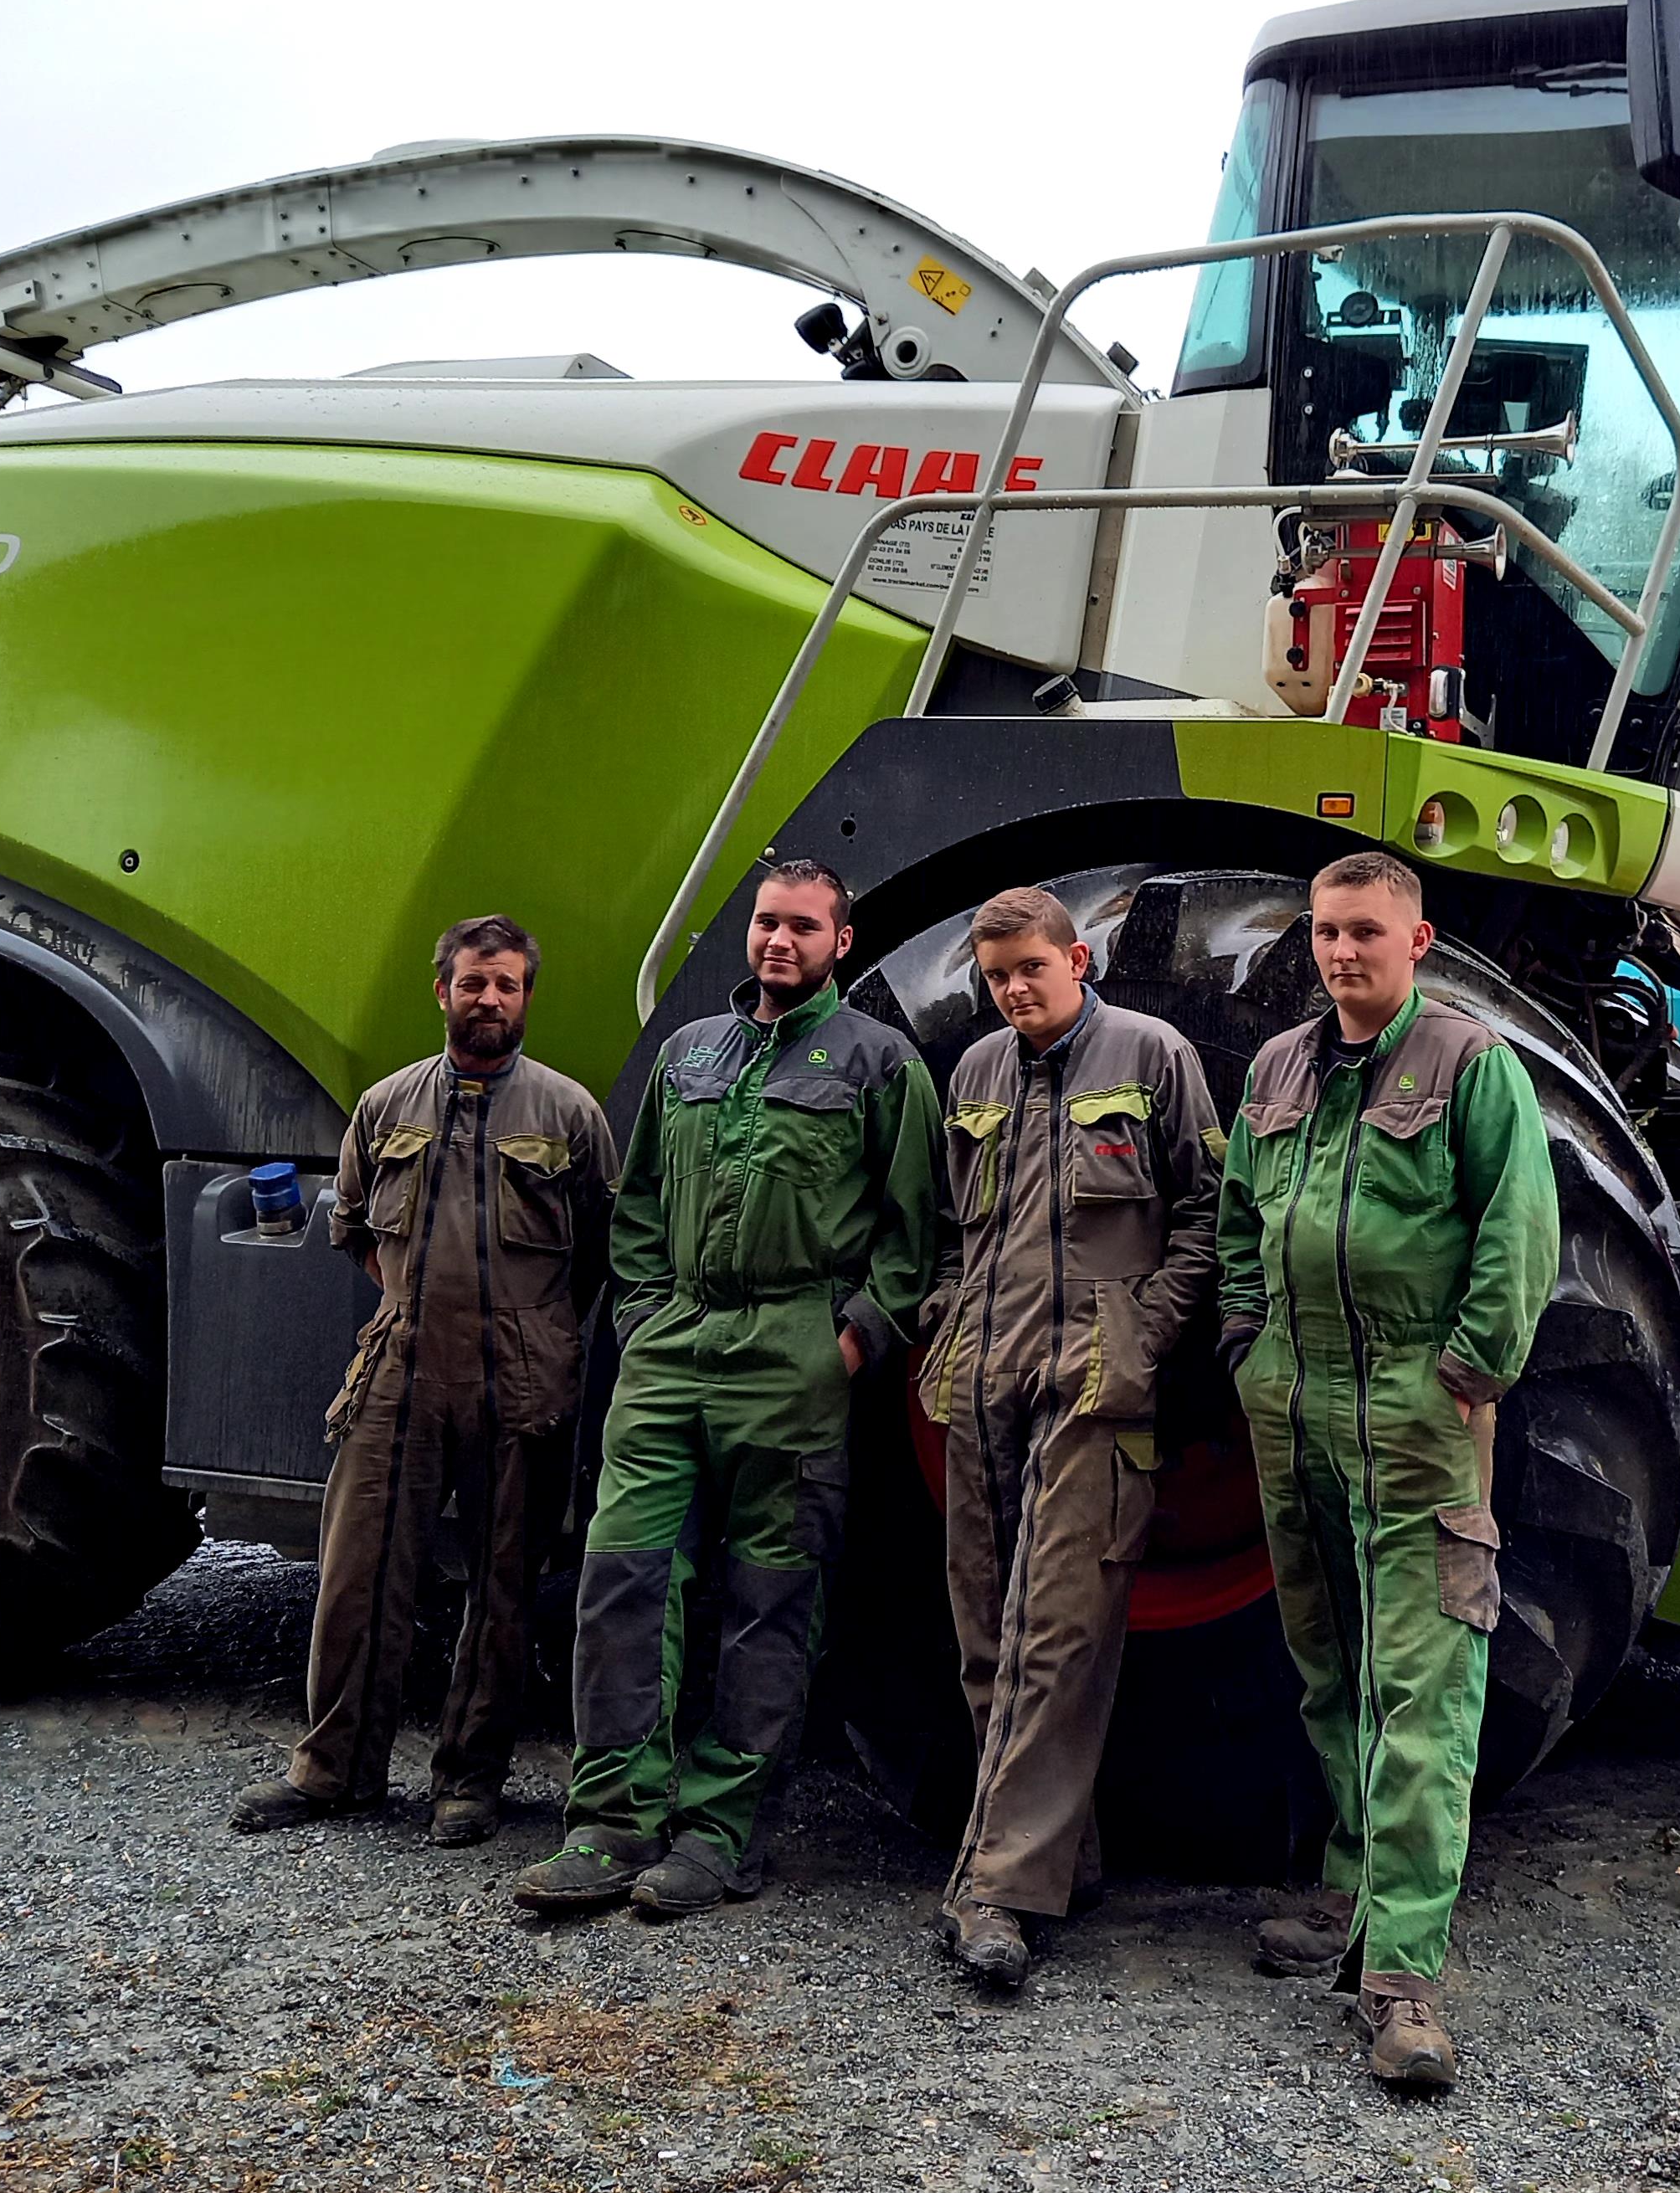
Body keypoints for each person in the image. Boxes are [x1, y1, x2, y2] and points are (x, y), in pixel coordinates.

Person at [518, 858, 940, 1919]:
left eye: (802, 926)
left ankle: (722, 1832)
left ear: (841, 942)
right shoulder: (689, 1053)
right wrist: (644, 1315)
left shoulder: (881, 1064)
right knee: (621, 1581)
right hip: (673, 1350)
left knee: (770, 1603)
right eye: (765, 923)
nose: (777, 942)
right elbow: (643, 1201)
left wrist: (849, 1343)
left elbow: (912, 1232)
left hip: (792, 1357)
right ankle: (611, 1821)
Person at [1216, 851, 1557, 2090]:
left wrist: (1464, 1373)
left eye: (1364, 931)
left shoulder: (1473, 1067)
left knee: (1423, 1692)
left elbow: (1520, 1236)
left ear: (1418, 943)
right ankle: (1350, 1890)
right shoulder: (1279, 1069)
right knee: (1327, 1661)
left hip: (1416, 1409)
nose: (1341, 952)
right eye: (1324, 932)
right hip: (1295, 1401)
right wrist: (1250, 1346)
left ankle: (1405, 1981)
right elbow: (1238, 1219)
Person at [231, 913, 618, 1848]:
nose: (491, 1000)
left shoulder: (569, 1115)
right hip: (401, 1368)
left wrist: (528, 1328)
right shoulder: (385, 1107)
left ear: (527, 999)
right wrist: (419, 1305)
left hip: (522, 1376)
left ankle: (469, 1783)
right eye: (475, 983)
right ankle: (333, 1773)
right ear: (441, 991)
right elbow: (358, 1232)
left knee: (503, 1585)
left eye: (509, 986)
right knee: (359, 1572)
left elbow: (602, 1251)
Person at [922, 886, 1222, 1988]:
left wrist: (1142, 1331)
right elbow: (958, 1227)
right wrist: (949, 1315)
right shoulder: (977, 1075)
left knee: (1059, 1633)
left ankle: (995, 1887)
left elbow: (1204, 1213)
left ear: (1077, 957)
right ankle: (1066, 1855)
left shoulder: (1152, 1056)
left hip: (1096, 1381)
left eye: (1030, 971)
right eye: (996, 976)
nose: (1012, 992)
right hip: (983, 1379)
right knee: (984, 1634)